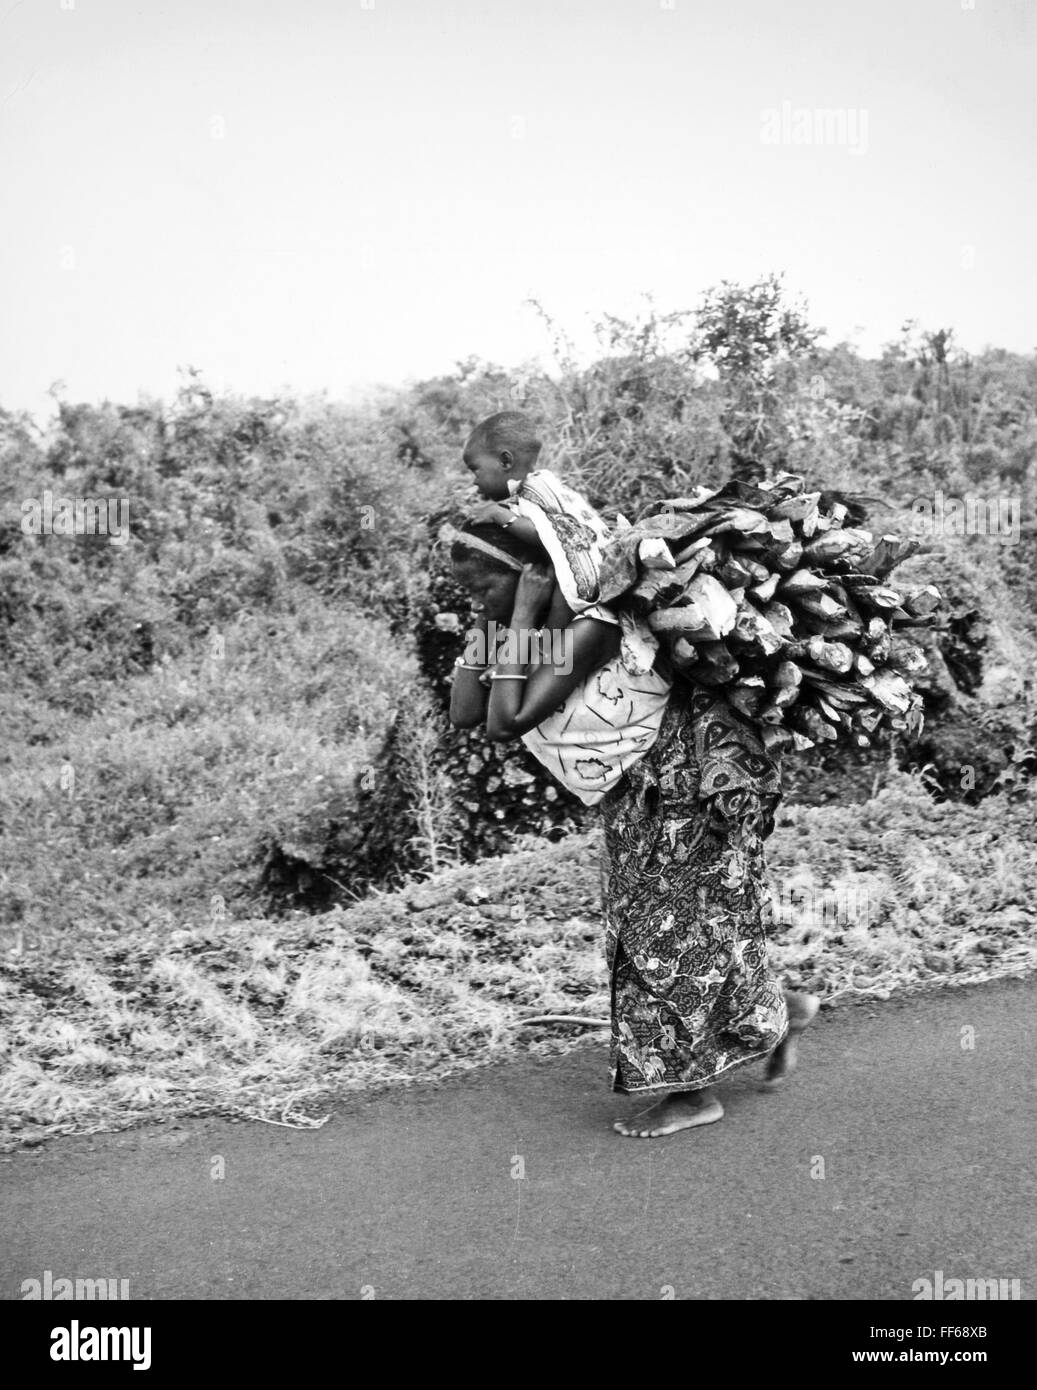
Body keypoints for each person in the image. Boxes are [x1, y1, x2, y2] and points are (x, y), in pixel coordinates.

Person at [448, 519, 820, 1139]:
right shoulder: (531, 633)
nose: (473, 601)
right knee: (684, 922)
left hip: (679, 785)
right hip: (633, 797)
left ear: (528, 579)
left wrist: (514, 620)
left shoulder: (591, 627)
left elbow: (504, 720)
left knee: (661, 935)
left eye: (480, 587)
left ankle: (692, 1093)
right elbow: (465, 710)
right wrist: (487, 628)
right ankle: (780, 1015)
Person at [462, 411, 610, 614]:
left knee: (561, 589)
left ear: (505, 461)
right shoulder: (530, 490)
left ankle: (548, 641)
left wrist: (500, 516)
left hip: (591, 572)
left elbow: (550, 535)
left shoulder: (536, 489)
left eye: (475, 470)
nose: (474, 481)